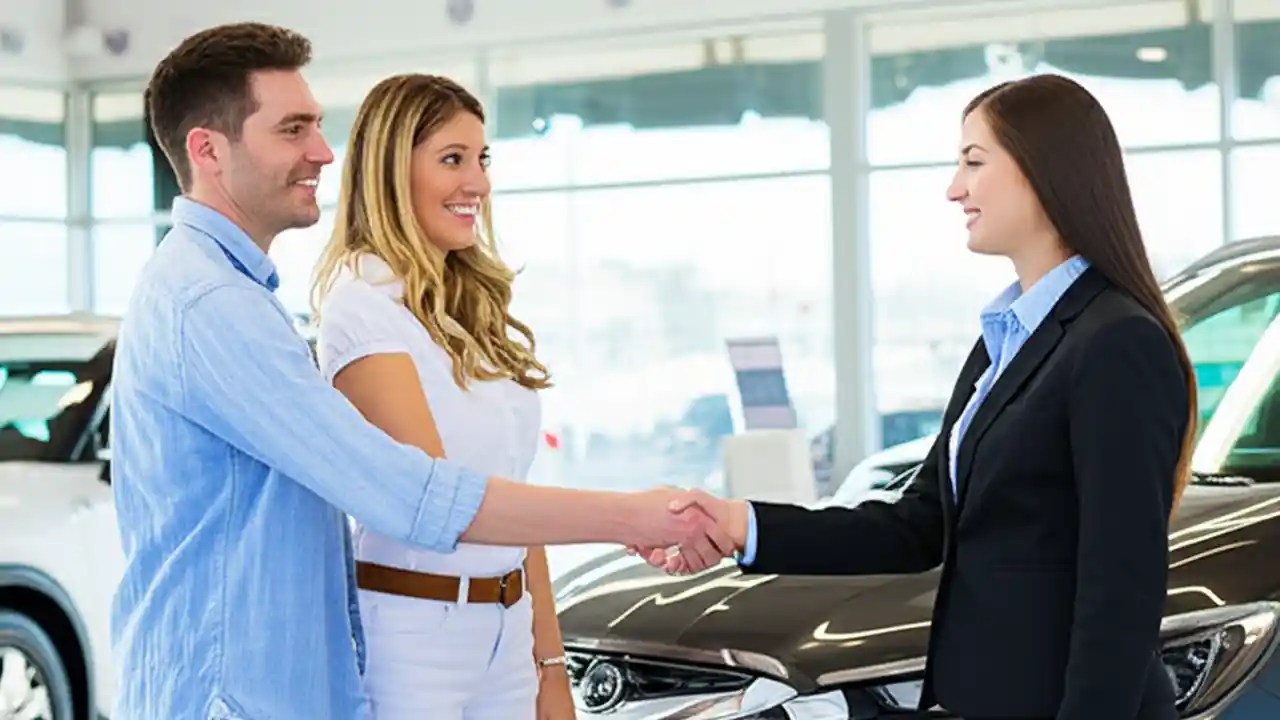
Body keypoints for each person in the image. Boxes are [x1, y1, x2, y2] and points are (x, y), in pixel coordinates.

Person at [110, 22, 731, 720]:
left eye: (317, 128)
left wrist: (546, 657)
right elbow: (414, 496)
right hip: (243, 693)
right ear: (208, 151)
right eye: (292, 130)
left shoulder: (236, 293)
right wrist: (633, 516)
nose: (320, 151)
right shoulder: (213, 305)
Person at [642, 74, 1196, 720]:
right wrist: (741, 524)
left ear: (1044, 170)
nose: (953, 188)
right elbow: (918, 525)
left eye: (973, 161)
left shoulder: (1116, 341)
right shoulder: (1005, 340)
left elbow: (1122, 586)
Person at [308, 73, 568, 719]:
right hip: (415, 634)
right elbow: (446, 506)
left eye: (482, 159)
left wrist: (551, 664)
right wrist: (627, 519)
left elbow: (515, 499)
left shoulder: (466, 309)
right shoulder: (360, 308)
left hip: (508, 626)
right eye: (452, 159)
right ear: (393, 172)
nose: (476, 183)